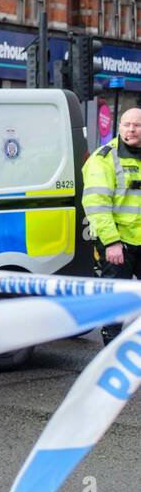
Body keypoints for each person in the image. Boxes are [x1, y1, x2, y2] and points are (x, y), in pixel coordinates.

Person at [85, 107, 141, 344]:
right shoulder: (105, 158)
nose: (131, 129)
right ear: (119, 126)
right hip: (119, 244)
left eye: (137, 125)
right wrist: (112, 242)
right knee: (115, 303)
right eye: (126, 124)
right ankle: (111, 357)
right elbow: (96, 203)